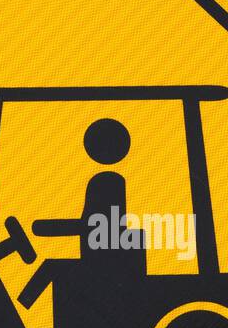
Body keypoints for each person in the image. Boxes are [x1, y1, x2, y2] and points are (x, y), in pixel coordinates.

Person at [17, 117, 140, 308]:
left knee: (51, 266)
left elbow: (97, 223)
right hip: (99, 253)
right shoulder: (105, 181)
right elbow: (93, 222)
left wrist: (45, 228)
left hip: (103, 260)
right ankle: (21, 308)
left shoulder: (107, 182)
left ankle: (19, 308)